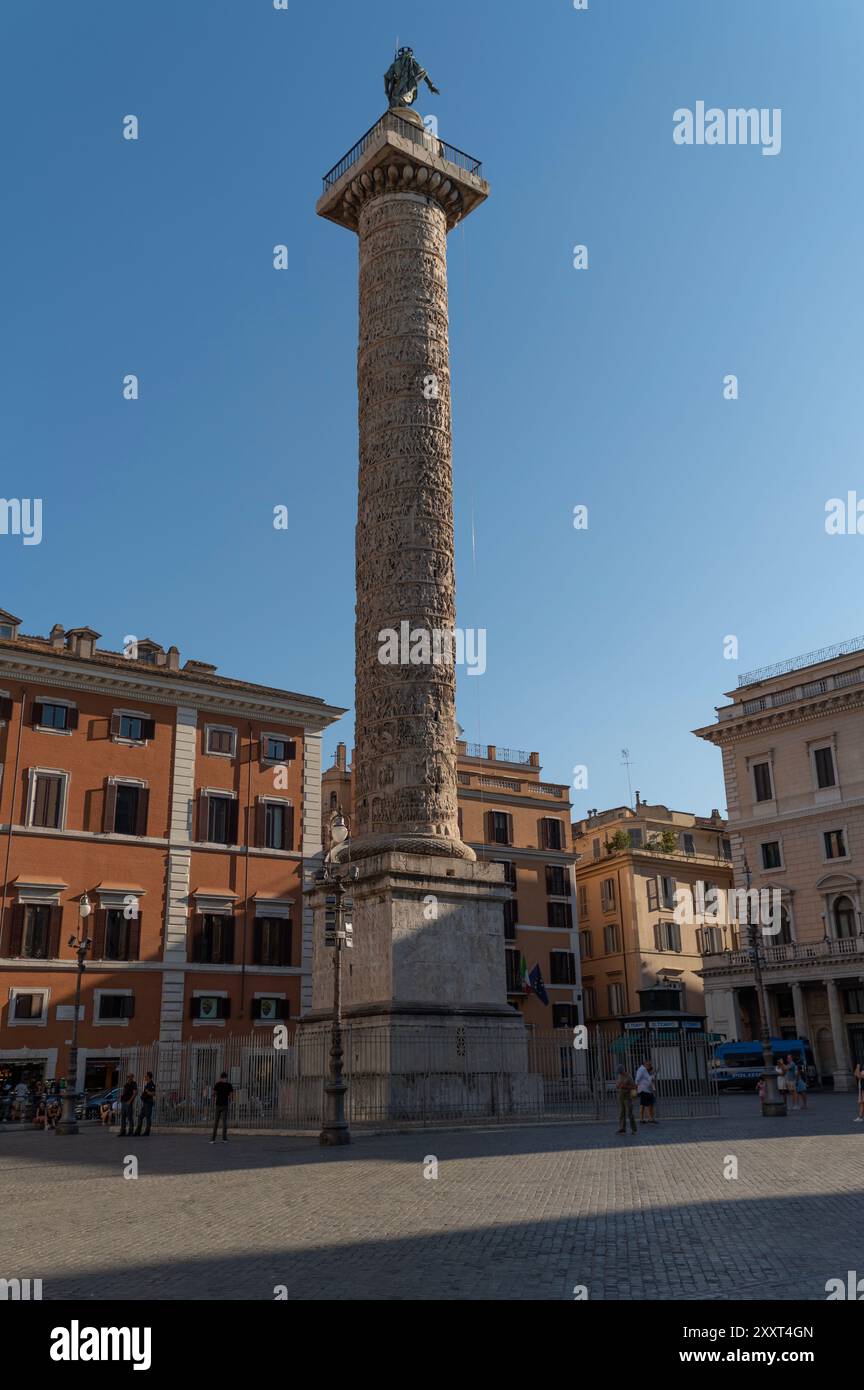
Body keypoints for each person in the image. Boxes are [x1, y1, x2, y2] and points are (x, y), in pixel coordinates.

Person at [210, 1072, 233, 1143]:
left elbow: (213, 1093)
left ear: (220, 1078)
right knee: (224, 1122)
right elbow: (231, 1095)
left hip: (218, 1105)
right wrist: (230, 1100)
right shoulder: (229, 1085)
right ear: (226, 1078)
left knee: (216, 1122)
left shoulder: (217, 1084)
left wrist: (215, 1095)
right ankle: (224, 1139)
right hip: (225, 1105)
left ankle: (213, 1139)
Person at [615, 1066, 638, 1136]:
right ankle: (622, 1128)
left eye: (620, 1072)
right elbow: (617, 1085)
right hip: (621, 1096)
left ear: (623, 1071)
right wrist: (617, 1085)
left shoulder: (629, 1077)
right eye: (619, 1073)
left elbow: (634, 1086)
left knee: (630, 1114)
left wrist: (625, 1086)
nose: (620, 1074)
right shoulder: (620, 1077)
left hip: (628, 1097)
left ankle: (634, 1129)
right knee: (622, 1113)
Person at [634, 1059, 657, 1124]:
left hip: (647, 1090)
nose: (650, 1066)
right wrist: (636, 1088)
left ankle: (644, 1119)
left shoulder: (645, 1070)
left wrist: (652, 1077)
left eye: (650, 1065)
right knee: (646, 1104)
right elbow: (637, 1079)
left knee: (644, 1104)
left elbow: (648, 1079)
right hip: (644, 1090)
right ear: (645, 1064)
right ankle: (648, 1119)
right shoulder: (642, 1069)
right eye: (649, 1064)